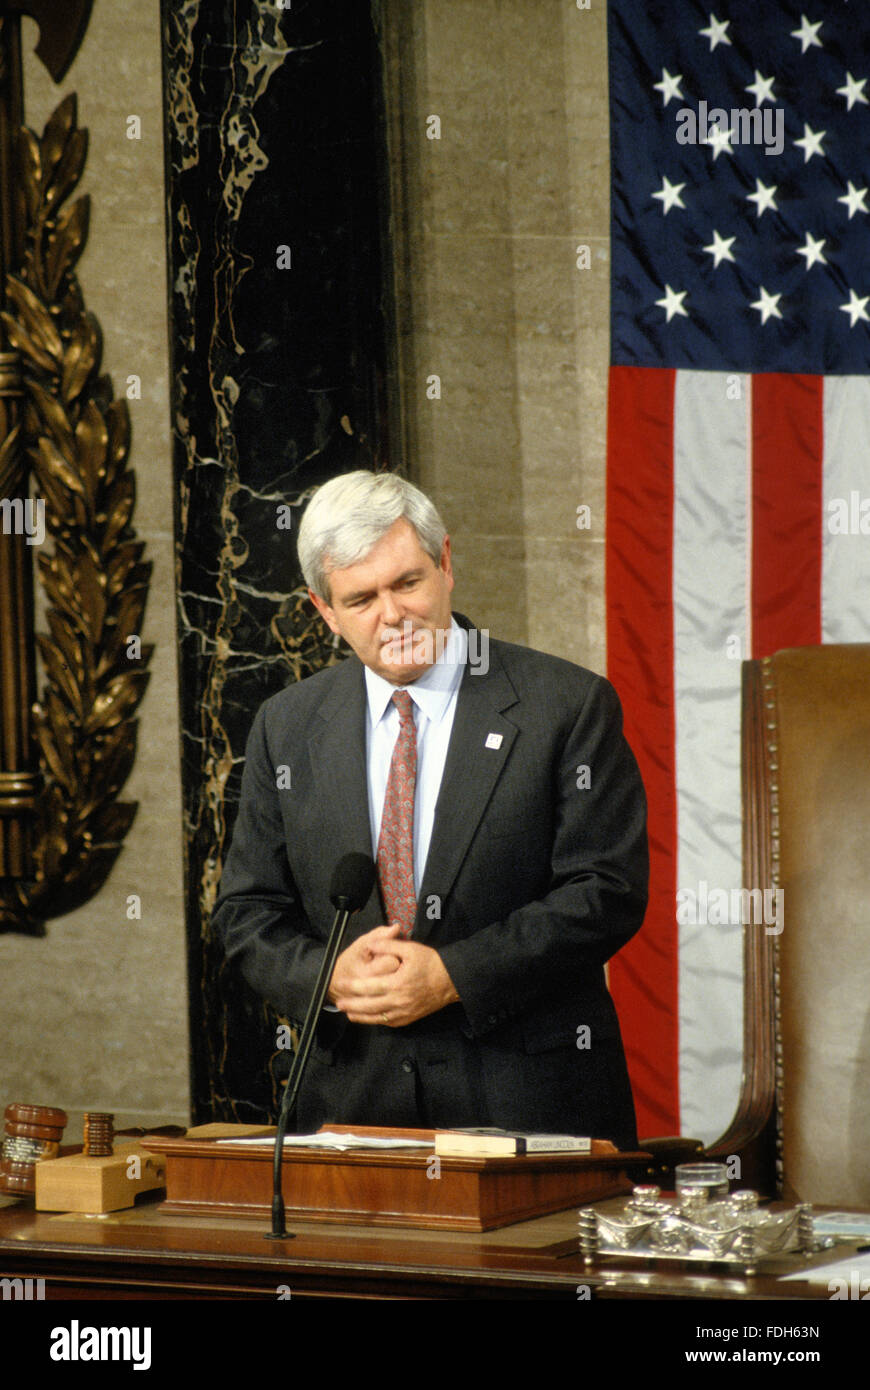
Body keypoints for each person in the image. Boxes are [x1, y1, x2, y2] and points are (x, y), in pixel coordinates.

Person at [212, 471, 648, 1146]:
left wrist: (453, 975)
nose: (392, 614)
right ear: (324, 610)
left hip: (529, 1105)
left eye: (407, 582)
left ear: (446, 563)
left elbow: (606, 892)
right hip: (351, 1105)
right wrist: (328, 979)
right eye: (360, 598)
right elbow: (246, 914)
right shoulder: (286, 726)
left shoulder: (565, 705)